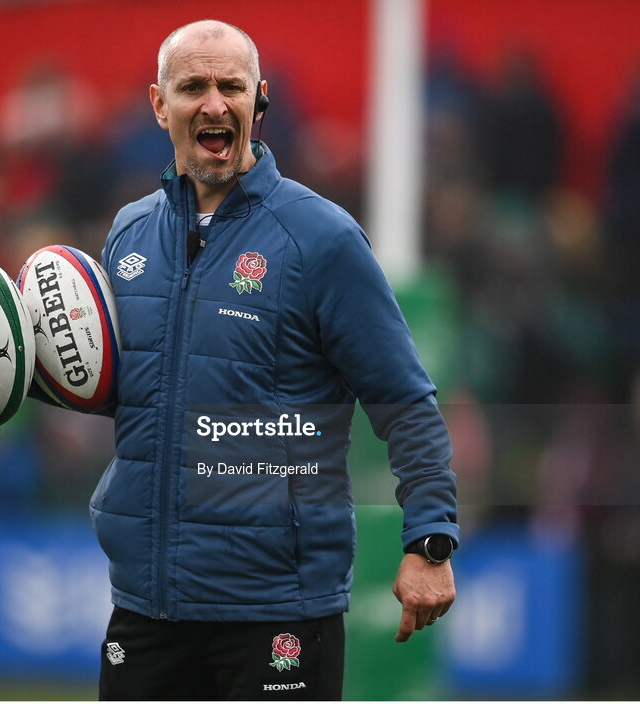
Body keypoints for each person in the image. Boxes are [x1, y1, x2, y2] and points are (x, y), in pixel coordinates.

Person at [89, 19, 458, 700]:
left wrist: (428, 541)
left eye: (230, 86)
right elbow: (123, 387)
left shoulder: (320, 237)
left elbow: (403, 400)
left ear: (259, 100)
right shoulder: (128, 233)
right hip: (147, 606)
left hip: (277, 611)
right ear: (157, 103)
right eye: (192, 86)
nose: (212, 103)